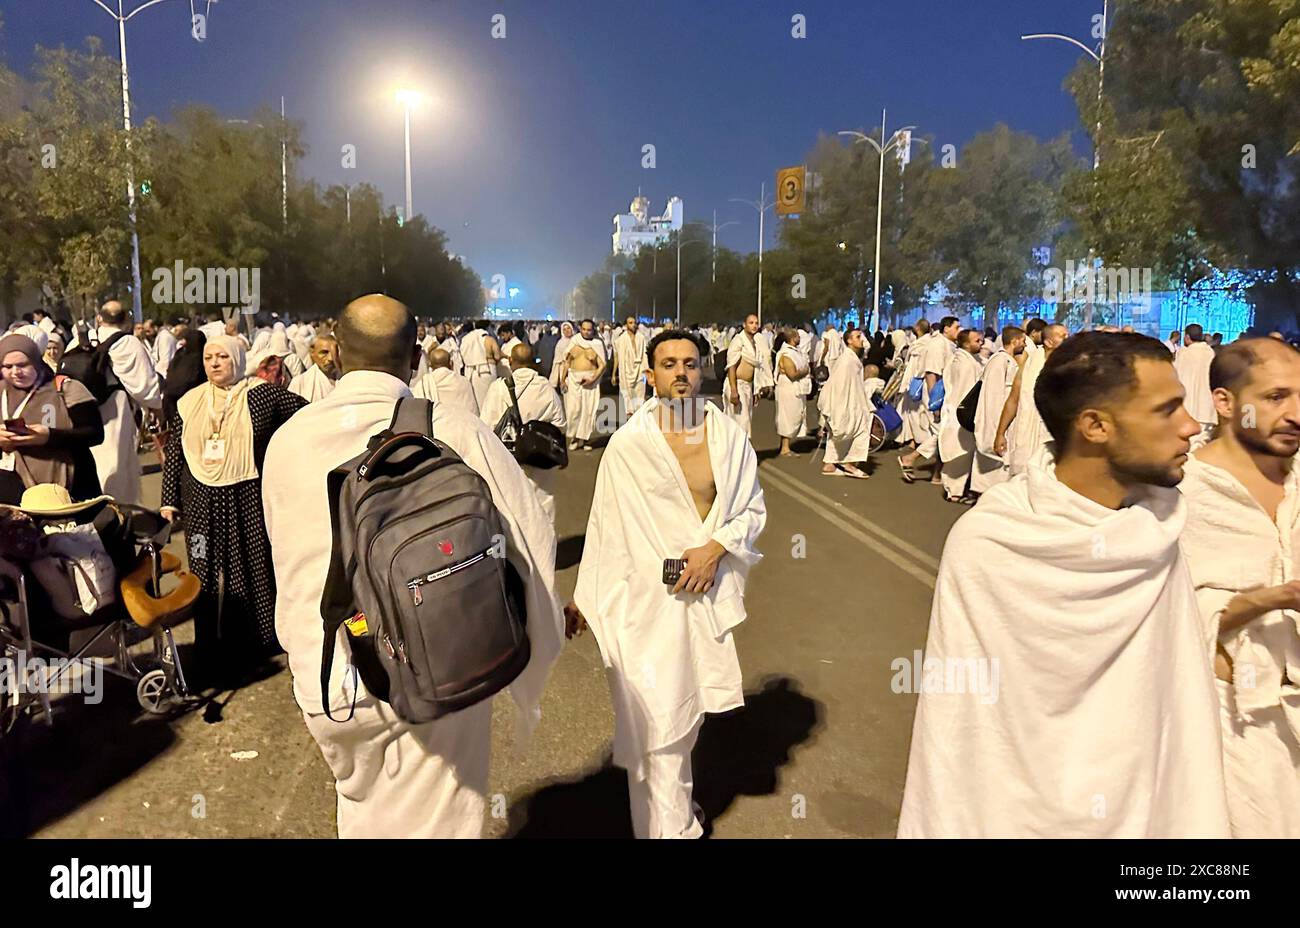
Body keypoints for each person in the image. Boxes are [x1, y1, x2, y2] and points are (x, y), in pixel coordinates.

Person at [898, 332, 1228, 838]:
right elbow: (959, 728)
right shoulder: (992, 544)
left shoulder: (1159, 531)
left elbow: (1175, 702)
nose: (1192, 425)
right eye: (1168, 410)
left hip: (1143, 812)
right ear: (1095, 425)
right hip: (1017, 817)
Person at [261, 294, 563, 839]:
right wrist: (536, 656)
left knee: (365, 816)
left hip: (328, 676)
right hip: (435, 661)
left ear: (336, 352)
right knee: (441, 823)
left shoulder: (288, 440)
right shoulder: (454, 429)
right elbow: (531, 537)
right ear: (415, 356)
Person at [566, 329, 766, 838]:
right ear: (650, 375)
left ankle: (669, 815)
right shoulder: (629, 445)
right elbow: (605, 530)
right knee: (657, 718)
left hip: (703, 595)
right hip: (645, 603)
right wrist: (585, 598)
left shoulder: (727, 438)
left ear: (703, 371)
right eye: (669, 363)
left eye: (690, 363)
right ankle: (668, 828)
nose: (681, 371)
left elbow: (750, 511)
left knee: (686, 713)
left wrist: (714, 547)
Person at [1178, 338, 1300, 837]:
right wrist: (1273, 599)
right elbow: (1166, 620)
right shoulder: (1182, 492)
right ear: (1225, 403)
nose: (1295, 413)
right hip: (1235, 721)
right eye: (1275, 398)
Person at [160, 334, 306, 687]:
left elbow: (306, 418)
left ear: (238, 360)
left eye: (222, 357)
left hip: (246, 495)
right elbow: (175, 455)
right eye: (209, 357)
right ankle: (208, 643)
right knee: (202, 568)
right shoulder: (189, 401)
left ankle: (259, 641)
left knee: (252, 565)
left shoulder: (262, 394)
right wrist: (168, 500)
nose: (214, 363)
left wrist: (281, 462)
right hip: (199, 501)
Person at [0, 333, 103, 505]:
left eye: (22, 365)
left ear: (36, 361)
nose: (15, 372)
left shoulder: (66, 388)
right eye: (8, 366)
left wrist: (49, 436)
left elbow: (94, 433)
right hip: (14, 491)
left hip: (70, 486)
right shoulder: (1, 392)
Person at [480, 341, 566, 523]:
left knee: (511, 505)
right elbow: (560, 424)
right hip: (540, 457)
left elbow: (485, 424)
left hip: (506, 455)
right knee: (543, 504)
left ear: (511, 360)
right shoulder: (546, 387)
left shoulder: (498, 387)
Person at [88, 300, 162, 505]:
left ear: (99, 318)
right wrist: (157, 408)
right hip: (116, 409)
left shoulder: (81, 340)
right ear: (126, 319)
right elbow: (146, 387)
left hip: (85, 412)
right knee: (117, 464)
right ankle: (118, 513)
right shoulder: (128, 343)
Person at [995, 322, 1066, 476]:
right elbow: (1013, 400)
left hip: (1056, 436)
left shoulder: (1070, 367)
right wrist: (1000, 433)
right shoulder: (1029, 366)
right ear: (1048, 342)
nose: (1068, 339)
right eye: (1063, 336)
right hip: (1028, 434)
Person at [898, 316, 959, 484]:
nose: (958, 331)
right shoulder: (937, 345)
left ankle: (937, 474)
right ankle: (911, 458)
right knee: (942, 433)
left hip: (944, 393)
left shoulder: (947, 345)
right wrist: (935, 403)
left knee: (942, 434)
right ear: (946, 328)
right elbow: (931, 373)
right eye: (956, 327)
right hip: (936, 393)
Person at [933, 328, 985, 503]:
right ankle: (954, 490)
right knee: (959, 452)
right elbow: (966, 392)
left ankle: (956, 488)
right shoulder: (964, 364)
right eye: (977, 341)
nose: (981, 343)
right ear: (965, 343)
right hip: (961, 413)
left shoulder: (964, 359)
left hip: (957, 411)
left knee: (959, 450)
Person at [971, 326, 1025, 494]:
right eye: (1023, 341)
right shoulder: (999, 361)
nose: (1024, 344)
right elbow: (992, 396)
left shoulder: (1009, 361)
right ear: (1014, 341)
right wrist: (995, 430)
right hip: (996, 419)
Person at [817, 328, 871, 479]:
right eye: (858, 337)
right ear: (849, 341)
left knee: (840, 433)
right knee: (858, 431)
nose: (861, 339)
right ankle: (850, 465)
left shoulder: (852, 358)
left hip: (853, 401)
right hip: (846, 402)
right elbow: (839, 384)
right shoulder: (846, 360)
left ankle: (830, 464)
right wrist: (839, 407)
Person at [560, 319, 606, 452]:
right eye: (584, 329)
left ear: (593, 330)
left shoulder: (597, 344)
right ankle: (574, 438)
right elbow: (567, 362)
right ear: (580, 328)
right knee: (574, 410)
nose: (586, 332)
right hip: (573, 379)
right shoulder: (574, 341)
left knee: (588, 411)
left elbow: (602, 365)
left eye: (589, 330)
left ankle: (585, 439)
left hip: (591, 380)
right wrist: (563, 379)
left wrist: (593, 379)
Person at [725, 314, 770, 437]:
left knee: (746, 421)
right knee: (740, 423)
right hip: (736, 384)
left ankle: (742, 454)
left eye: (756, 323)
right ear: (744, 324)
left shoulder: (756, 342)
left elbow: (757, 368)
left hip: (748, 386)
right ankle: (737, 454)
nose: (754, 325)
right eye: (751, 323)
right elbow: (731, 366)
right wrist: (734, 390)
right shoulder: (738, 340)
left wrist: (756, 390)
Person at [1173, 323, 1217, 449]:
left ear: (1187, 337)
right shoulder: (1210, 353)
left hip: (1187, 406)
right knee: (1201, 445)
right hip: (1206, 407)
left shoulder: (1183, 354)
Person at [774, 328, 810, 457]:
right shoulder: (786, 354)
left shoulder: (796, 352)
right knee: (787, 416)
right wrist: (804, 371)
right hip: (787, 388)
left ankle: (785, 446)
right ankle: (785, 448)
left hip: (795, 389)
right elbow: (792, 374)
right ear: (793, 338)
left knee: (794, 415)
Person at [611, 316, 649, 418]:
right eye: (630, 323)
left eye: (634, 322)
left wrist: (647, 369)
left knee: (640, 395)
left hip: (640, 369)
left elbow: (644, 354)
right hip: (626, 371)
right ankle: (629, 418)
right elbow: (617, 357)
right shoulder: (621, 340)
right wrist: (614, 374)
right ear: (626, 325)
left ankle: (639, 418)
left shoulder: (641, 338)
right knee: (627, 395)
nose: (633, 325)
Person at [459, 320, 501, 410]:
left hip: (470, 372)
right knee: (488, 402)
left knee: (475, 403)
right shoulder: (488, 339)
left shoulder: (466, 339)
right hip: (487, 371)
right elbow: (497, 356)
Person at [288, 334, 340, 403]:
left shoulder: (346, 379)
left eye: (334, 353)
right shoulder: (299, 384)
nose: (330, 358)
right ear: (312, 353)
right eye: (324, 353)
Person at [549, 321, 574, 388]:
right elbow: (557, 362)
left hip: (576, 371)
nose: (567, 331)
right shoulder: (560, 343)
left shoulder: (576, 341)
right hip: (564, 373)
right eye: (564, 329)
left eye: (568, 328)